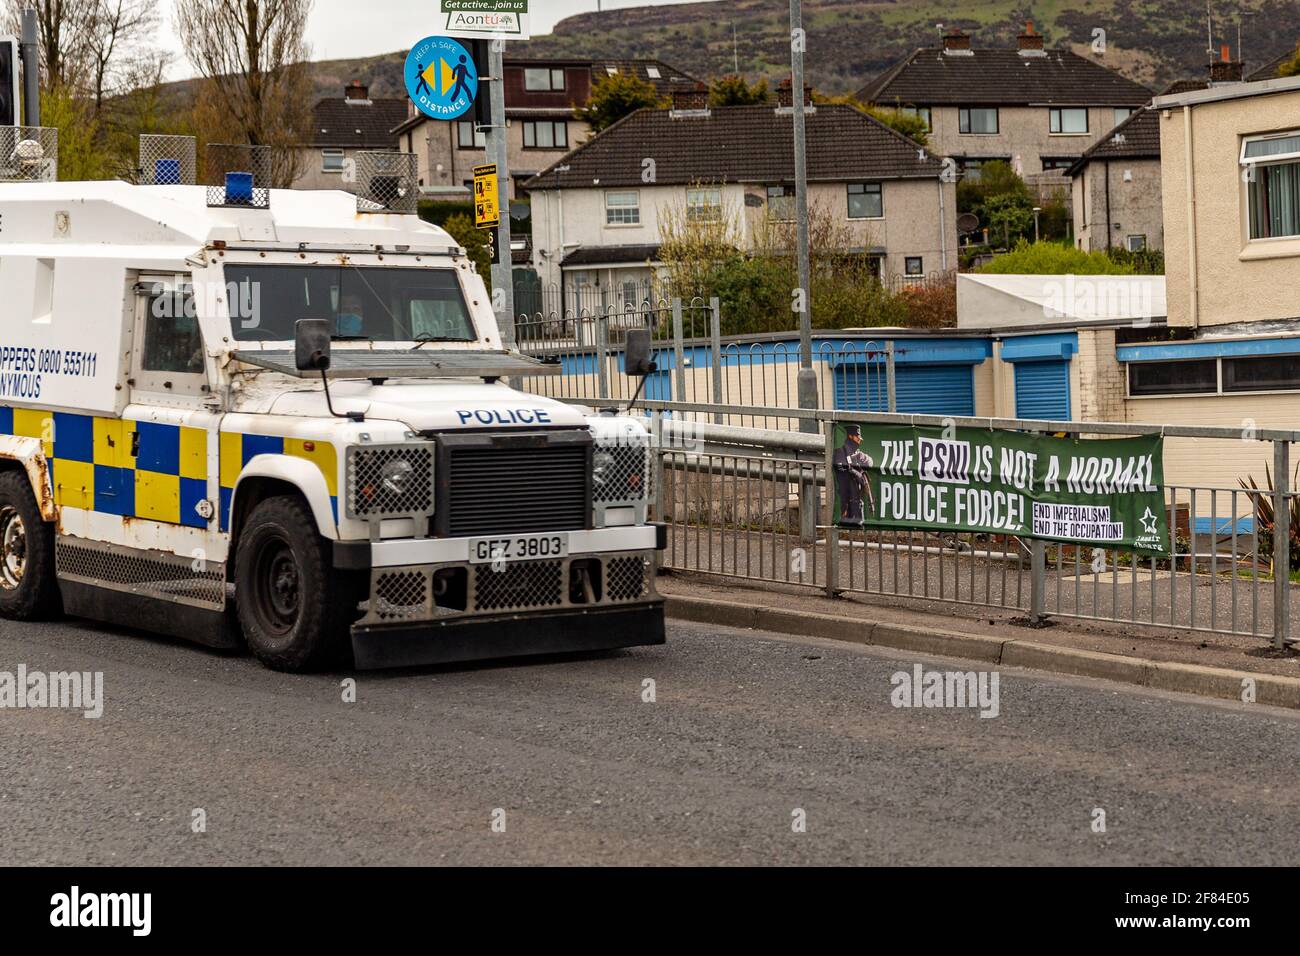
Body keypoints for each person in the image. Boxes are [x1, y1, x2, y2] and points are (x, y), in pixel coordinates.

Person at [832, 424, 874, 524]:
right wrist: (857, 474)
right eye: (857, 437)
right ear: (850, 436)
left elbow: (870, 464)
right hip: (846, 503)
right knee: (846, 528)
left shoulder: (858, 453)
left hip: (858, 502)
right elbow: (841, 470)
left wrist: (863, 458)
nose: (860, 440)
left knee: (859, 527)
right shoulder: (840, 452)